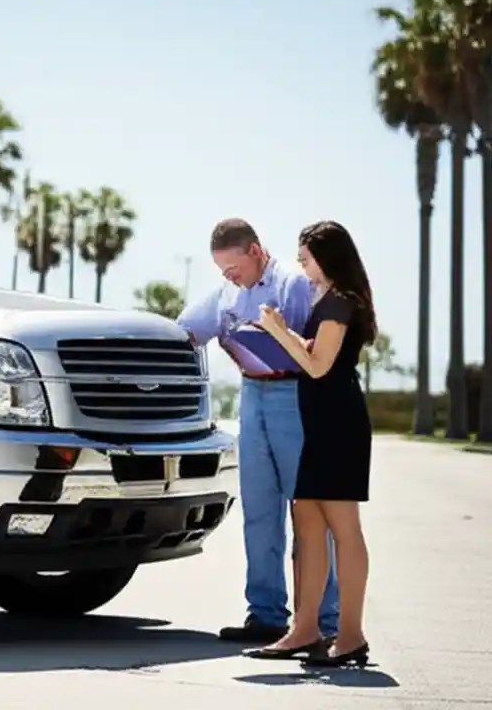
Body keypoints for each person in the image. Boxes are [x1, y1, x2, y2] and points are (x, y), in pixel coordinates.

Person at [176, 218, 340, 645]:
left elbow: (317, 349)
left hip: (294, 397)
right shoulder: (228, 291)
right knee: (260, 509)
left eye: (233, 268)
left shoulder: (292, 285)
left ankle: (325, 620)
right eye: (222, 272)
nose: (229, 277)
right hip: (252, 397)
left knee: (308, 512)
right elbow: (185, 330)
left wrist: (278, 337)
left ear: (255, 251)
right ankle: (265, 614)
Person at [244, 220, 375, 667]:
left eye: (305, 258)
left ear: (328, 256)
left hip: (339, 425)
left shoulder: (341, 302)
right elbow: (315, 356)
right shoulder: (326, 300)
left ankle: (351, 635)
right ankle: (304, 629)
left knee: (344, 527)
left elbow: (319, 367)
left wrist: (279, 332)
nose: (300, 265)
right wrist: (278, 335)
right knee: (307, 523)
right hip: (317, 424)